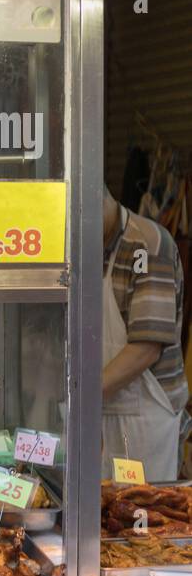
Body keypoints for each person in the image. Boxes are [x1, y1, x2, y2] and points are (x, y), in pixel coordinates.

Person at [102, 187, 190, 480]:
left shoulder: (148, 244)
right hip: (98, 409)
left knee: (142, 516)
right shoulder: (78, 247)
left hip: (145, 419)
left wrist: (78, 395)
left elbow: (146, 347)